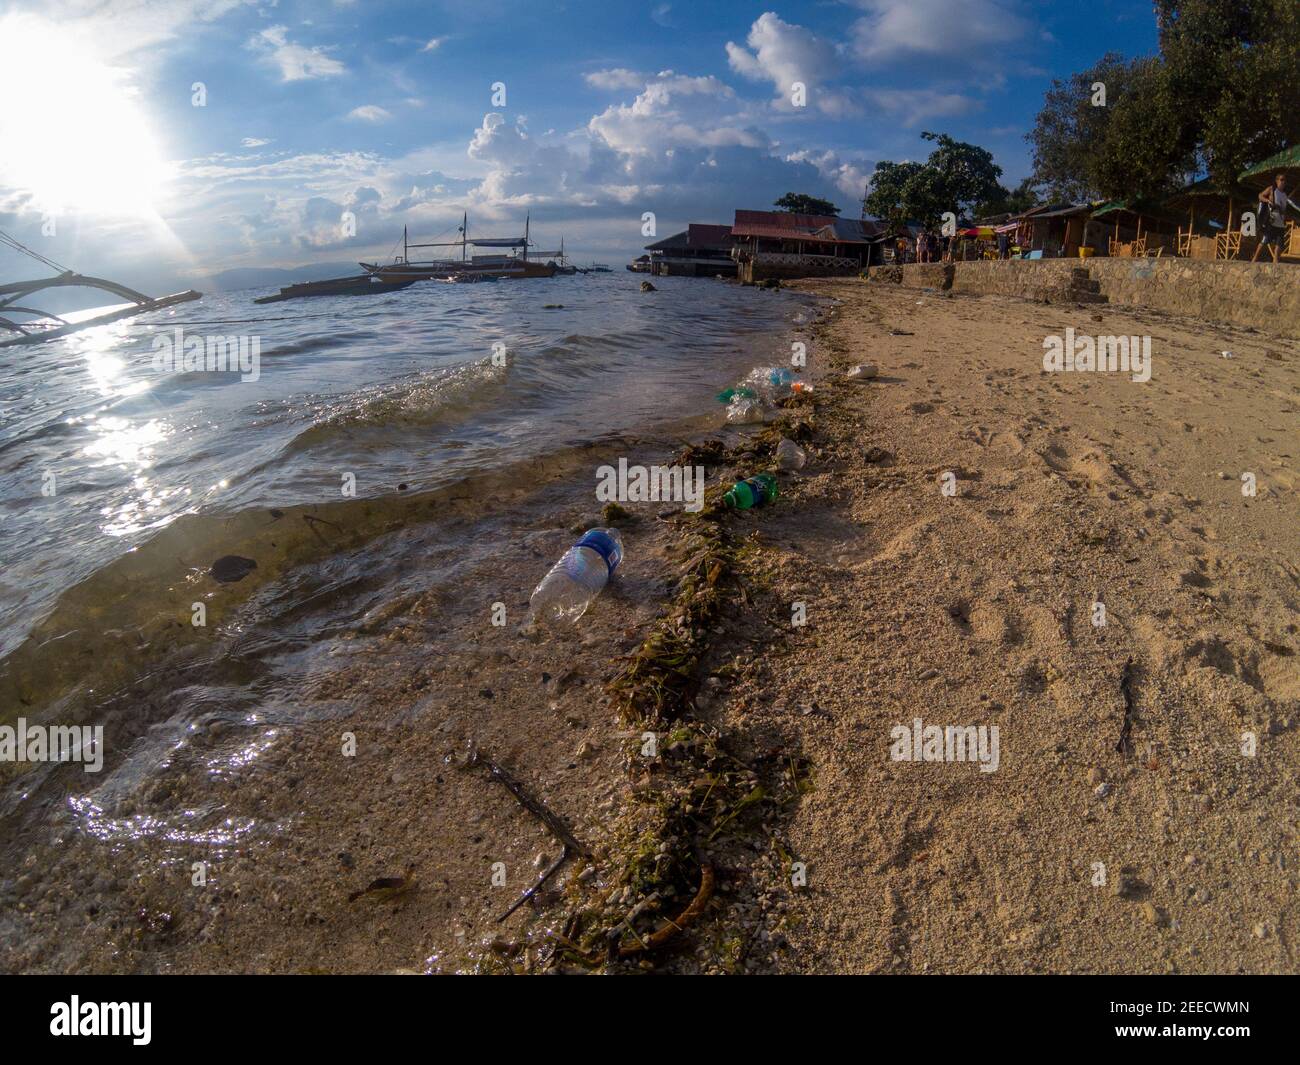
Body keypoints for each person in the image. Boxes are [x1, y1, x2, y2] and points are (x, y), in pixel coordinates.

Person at [1251, 173, 1296, 263]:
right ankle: (1254, 258)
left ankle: (1275, 261)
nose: (1283, 182)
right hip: (1271, 220)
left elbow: (1284, 209)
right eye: (1281, 180)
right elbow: (1260, 195)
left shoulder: (1284, 194)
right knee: (1265, 240)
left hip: (1280, 221)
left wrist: (1284, 217)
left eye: (1284, 180)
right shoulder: (1272, 189)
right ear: (1277, 181)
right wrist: (1268, 201)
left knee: (1279, 242)